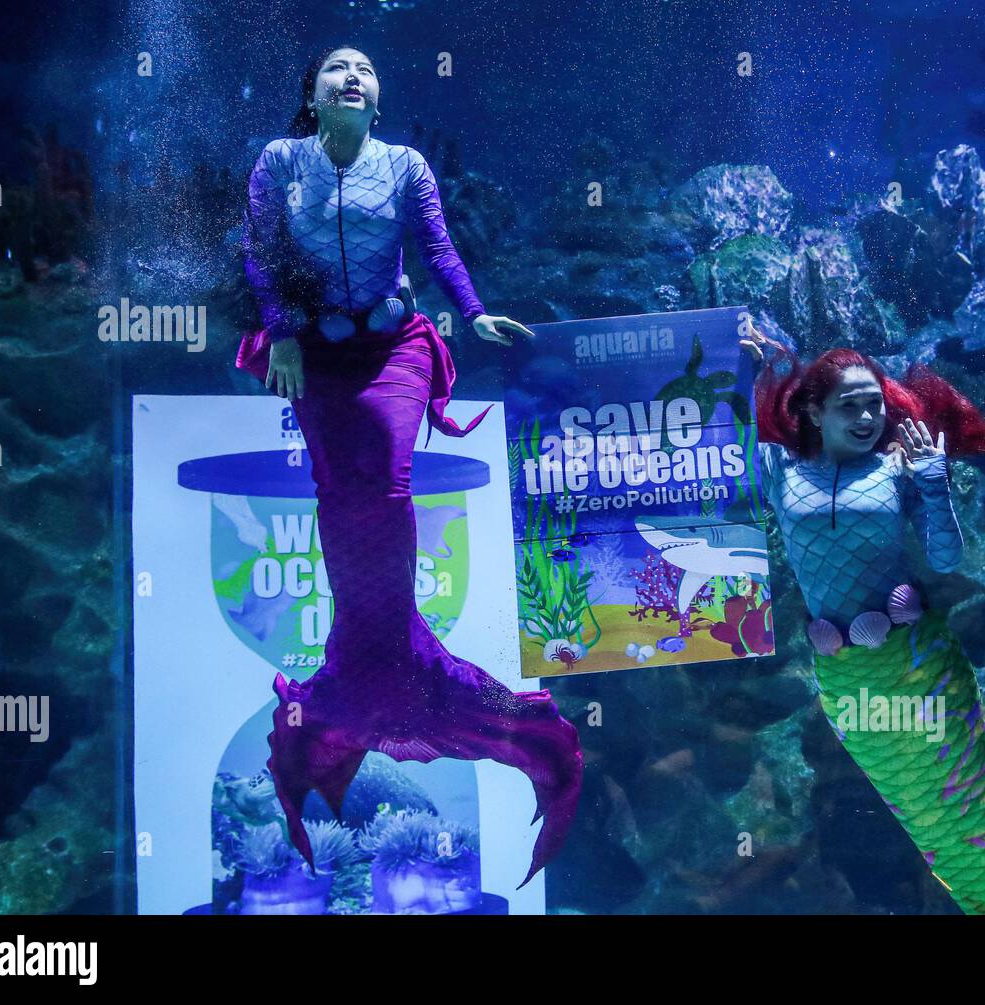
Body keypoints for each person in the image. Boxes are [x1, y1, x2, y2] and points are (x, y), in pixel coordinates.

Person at [234, 44, 582, 888]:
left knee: (387, 482)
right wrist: (280, 331)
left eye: (363, 69)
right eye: (332, 69)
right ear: (313, 96)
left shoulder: (408, 165)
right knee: (335, 490)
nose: (351, 76)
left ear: (376, 98)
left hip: (394, 347)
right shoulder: (279, 162)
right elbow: (259, 249)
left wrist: (473, 311)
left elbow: (438, 247)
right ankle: (361, 663)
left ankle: (395, 650)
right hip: (313, 351)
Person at [740, 321, 985, 914]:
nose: (868, 419)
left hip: (916, 665)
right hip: (845, 681)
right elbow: (709, 449)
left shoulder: (896, 471)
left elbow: (943, 557)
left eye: (875, 406)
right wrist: (737, 369)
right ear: (811, 409)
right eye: (850, 406)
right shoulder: (778, 470)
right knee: (922, 814)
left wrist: (934, 486)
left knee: (967, 804)